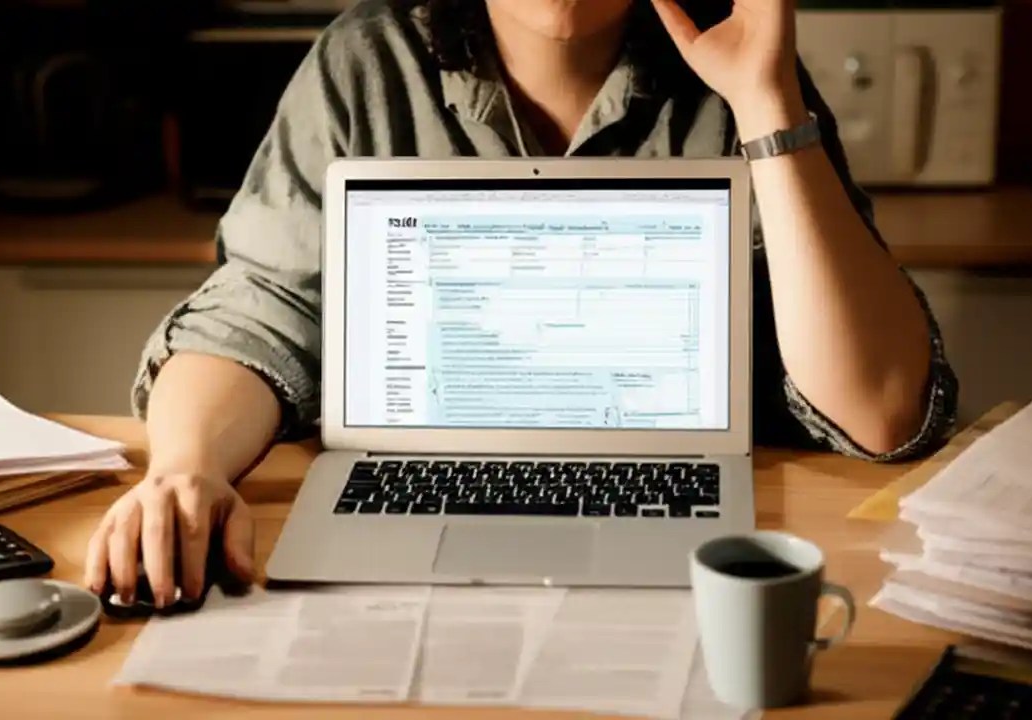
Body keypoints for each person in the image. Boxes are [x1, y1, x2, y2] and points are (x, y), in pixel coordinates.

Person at [84, 0, 958, 608]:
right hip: (403, 519)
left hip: (678, 527)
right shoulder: (366, 63)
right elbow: (261, 309)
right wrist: (187, 466)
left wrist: (768, 102)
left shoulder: (747, 68)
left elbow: (883, 413)